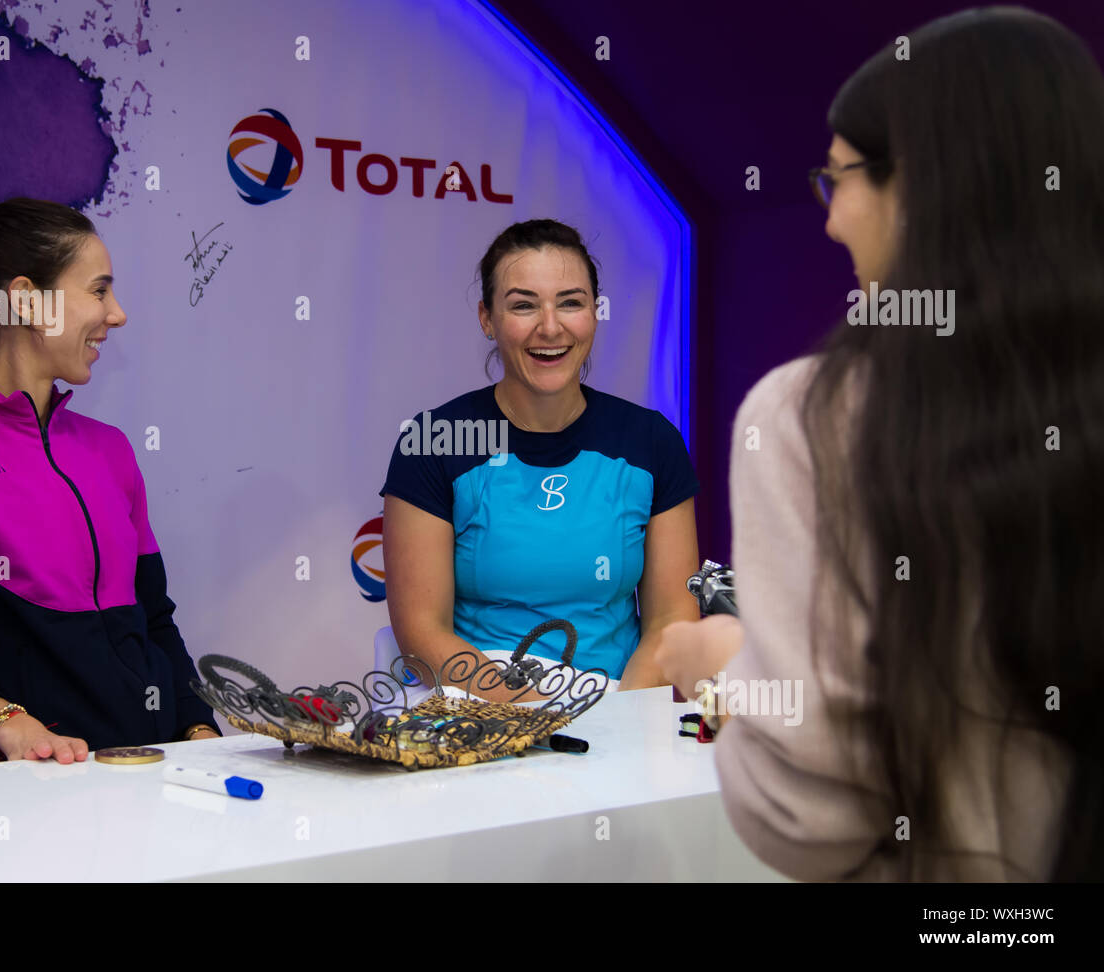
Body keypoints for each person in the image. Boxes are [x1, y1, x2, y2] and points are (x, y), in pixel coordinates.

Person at [656, 7, 1103, 881]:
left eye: (838, 181)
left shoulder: (807, 420)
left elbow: (813, 808)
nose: (828, 223)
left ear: (927, 183)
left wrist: (722, 669)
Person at [0, 198, 219, 766]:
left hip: (154, 775)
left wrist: (199, 728)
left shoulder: (110, 449)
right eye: (99, 290)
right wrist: (10, 727)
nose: (117, 314)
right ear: (27, 300)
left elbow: (155, 618)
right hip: (29, 792)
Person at [381, 219, 701, 701]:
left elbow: (673, 619)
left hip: (618, 719)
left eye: (571, 302)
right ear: (487, 318)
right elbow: (421, 636)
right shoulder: (434, 441)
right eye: (523, 305)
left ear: (595, 313)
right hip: (479, 725)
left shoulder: (651, 440)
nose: (550, 327)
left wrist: (615, 714)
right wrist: (545, 715)